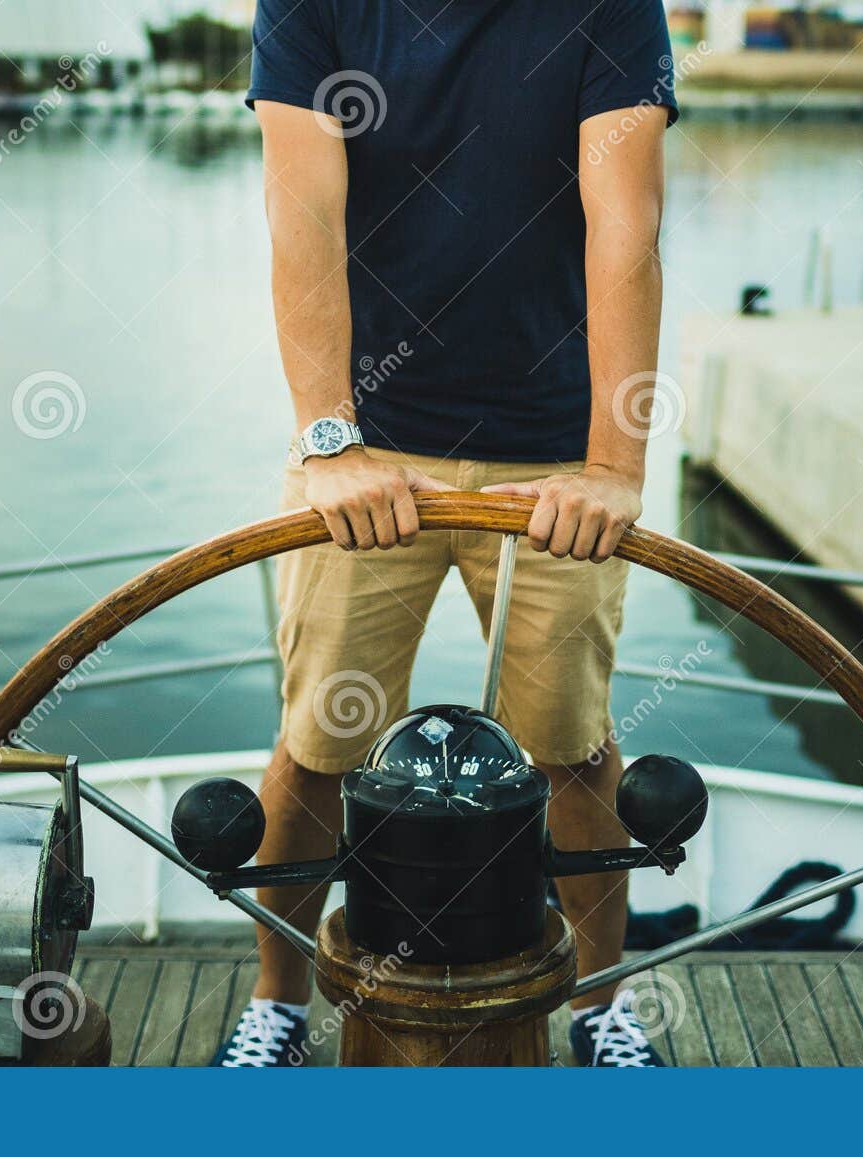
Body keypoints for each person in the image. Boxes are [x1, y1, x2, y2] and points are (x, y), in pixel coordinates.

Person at [215, 0, 675, 1068]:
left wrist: (614, 464)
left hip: (557, 455)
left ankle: (601, 1004)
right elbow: (303, 209)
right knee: (317, 749)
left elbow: (625, 219)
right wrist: (333, 438)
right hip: (368, 448)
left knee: (573, 751)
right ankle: (278, 1005)